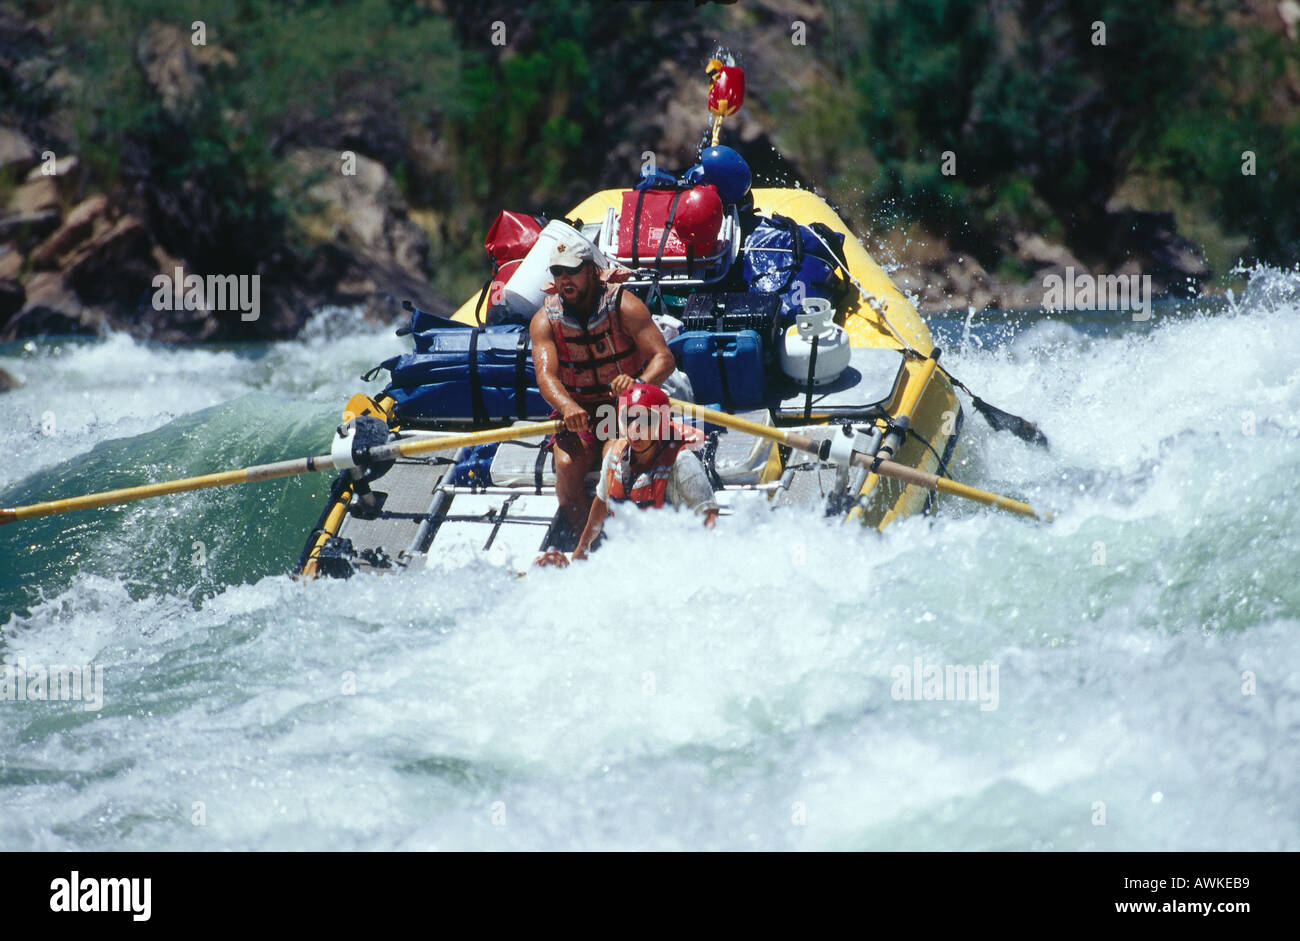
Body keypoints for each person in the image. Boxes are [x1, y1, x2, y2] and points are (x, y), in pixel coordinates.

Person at [530, 235, 676, 535]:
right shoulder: (545, 320)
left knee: (613, 459)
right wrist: (567, 407)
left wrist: (638, 385)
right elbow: (546, 377)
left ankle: (626, 538)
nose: (564, 279)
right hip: (580, 412)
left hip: (624, 410)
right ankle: (589, 544)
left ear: (591, 270)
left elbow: (663, 358)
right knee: (567, 466)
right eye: (557, 272)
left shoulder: (624, 305)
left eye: (571, 270)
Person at [571, 382, 718, 560]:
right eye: (629, 419)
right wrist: (583, 547)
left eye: (645, 420)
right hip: (631, 558)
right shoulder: (613, 456)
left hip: (675, 558)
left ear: (661, 424)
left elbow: (709, 521)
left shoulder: (683, 463)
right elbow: (601, 503)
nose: (635, 429)